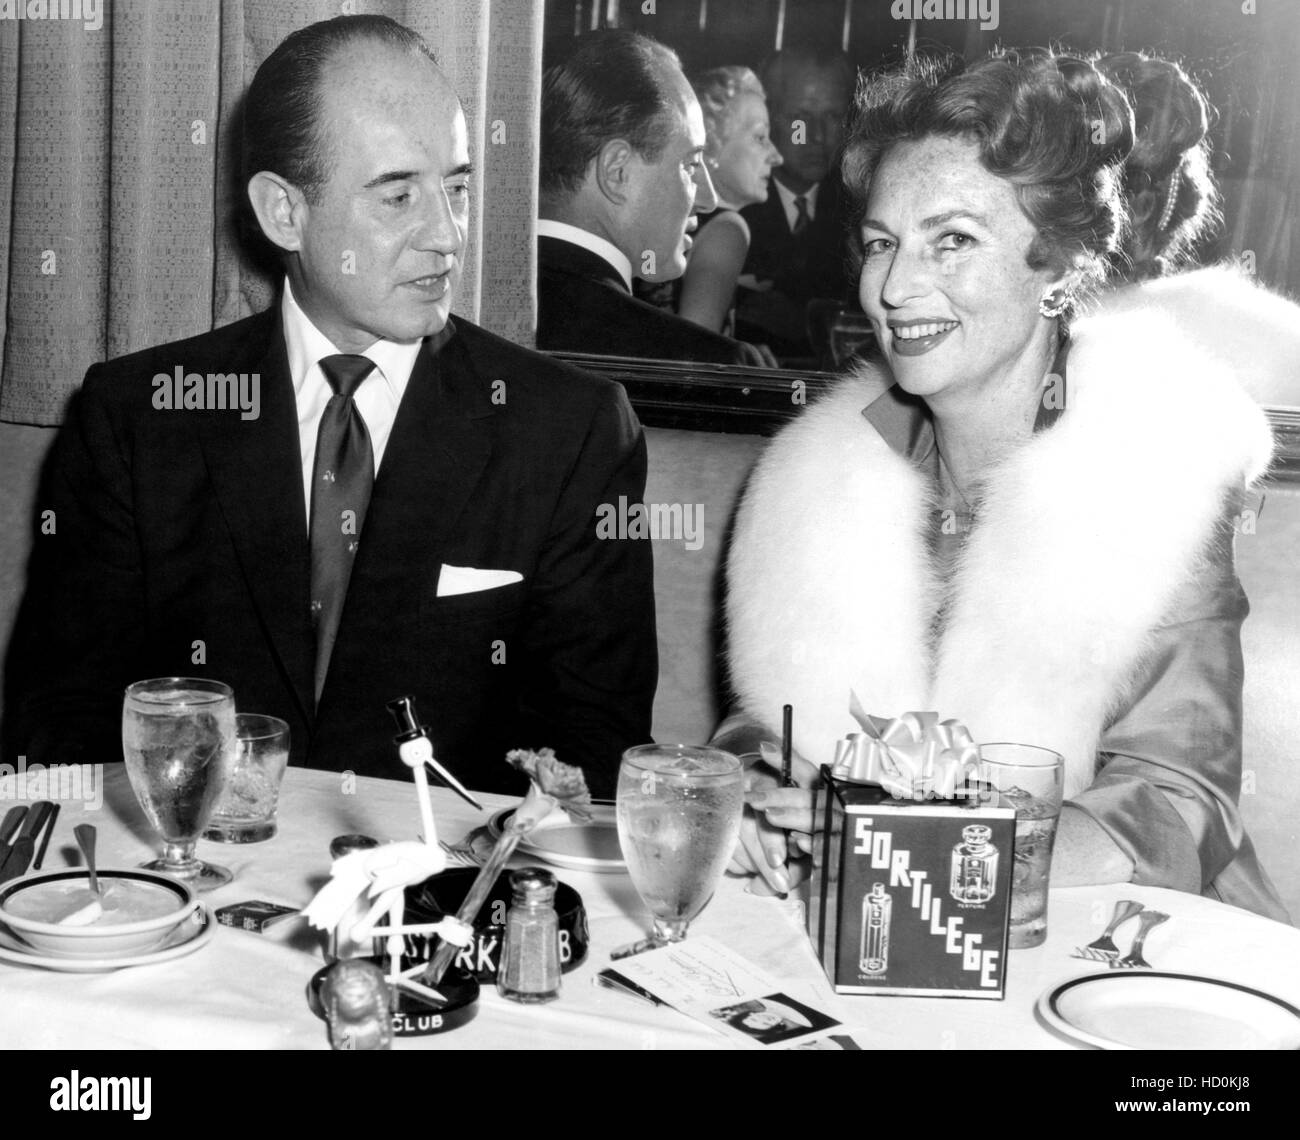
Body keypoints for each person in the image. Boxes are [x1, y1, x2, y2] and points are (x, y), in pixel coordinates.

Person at [3, 15, 657, 799]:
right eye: (399, 196)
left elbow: (594, 760)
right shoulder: (136, 421)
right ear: (284, 211)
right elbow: (59, 733)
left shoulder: (571, 432)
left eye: (456, 188)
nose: (448, 236)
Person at [718, 50, 1291, 922]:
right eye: (882, 244)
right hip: (877, 929)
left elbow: (1177, 808)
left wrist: (915, 844)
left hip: (1120, 946)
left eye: (952, 241)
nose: (896, 288)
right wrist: (750, 790)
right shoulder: (815, 481)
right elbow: (768, 725)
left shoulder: (1146, 472)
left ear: (1055, 265)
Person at [536, 30, 770, 367]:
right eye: (691, 164)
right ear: (617, 172)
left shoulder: (465, 315)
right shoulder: (707, 363)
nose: (707, 199)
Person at [735, 47, 857, 360]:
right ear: (766, 117)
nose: (817, 136)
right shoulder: (728, 201)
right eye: (800, 118)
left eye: (832, 116)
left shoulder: (861, 208)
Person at [673, 67, 783, 339]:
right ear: (711, 145)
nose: (777, 156)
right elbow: (696, 348)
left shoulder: (674, 218)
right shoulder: (728, 229)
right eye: (760, 138)